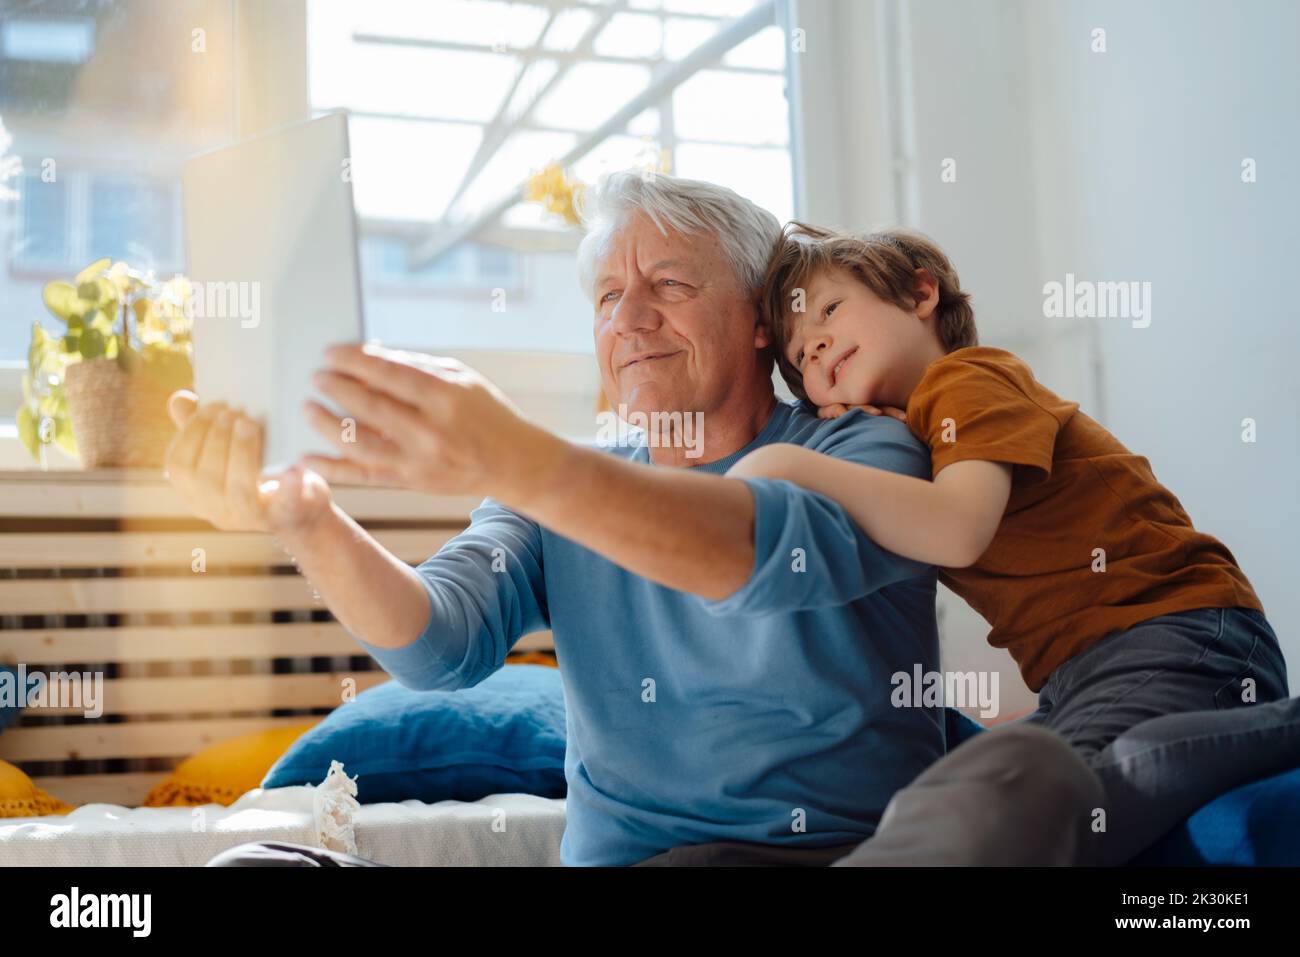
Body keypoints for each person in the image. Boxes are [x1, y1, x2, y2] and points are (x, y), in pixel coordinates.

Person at [168, 172, 1099, 868]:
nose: (631, 319)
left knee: (1029, 772)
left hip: (837, 857)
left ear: (763, 320)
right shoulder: (552, 484)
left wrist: (517, 457)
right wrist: (307, 519)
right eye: (609, 297)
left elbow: (745, 552)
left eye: (670, 286)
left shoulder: (865, 448)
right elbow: (434, 645)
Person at [729, 221, 1300, 865]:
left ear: (922, 295)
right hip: (1082, 673)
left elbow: (957, 527)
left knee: (1055, 808)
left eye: (830, 310)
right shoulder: (921, 430)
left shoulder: (968, 379)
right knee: (993, 782)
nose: (819, 343)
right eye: (802, 356)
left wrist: (790, 464)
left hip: (1173, 631)